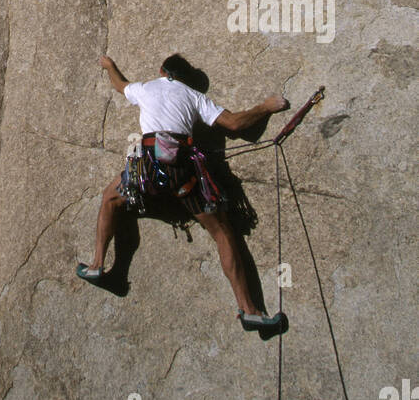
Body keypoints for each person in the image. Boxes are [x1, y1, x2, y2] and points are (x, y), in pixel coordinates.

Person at [76, 52, 288, 332]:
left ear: (162, 71)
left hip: (147, 170)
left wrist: (109, 66)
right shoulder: (194, 96)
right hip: (183, 174)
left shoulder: (146, 88)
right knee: (223, 233)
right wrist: (267, 106)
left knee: (110, 198)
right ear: (184, 77)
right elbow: (235, 124)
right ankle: (249, 310)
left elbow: (119, 84)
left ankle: (97, 265)